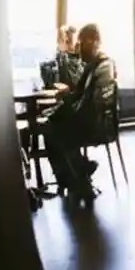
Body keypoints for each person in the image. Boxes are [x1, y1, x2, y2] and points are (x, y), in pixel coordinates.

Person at [43, 24, 118, 204]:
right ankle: (80, 173)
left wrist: (61, 110)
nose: (78, 48)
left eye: (81, 43)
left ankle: (77, 178)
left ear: (93, 41)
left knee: (51, 129)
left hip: (97, 126)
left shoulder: (99, 67)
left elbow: (88, 105)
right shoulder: (102, 64)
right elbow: (83, 96)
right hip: (100, 122)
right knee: (53, 124)